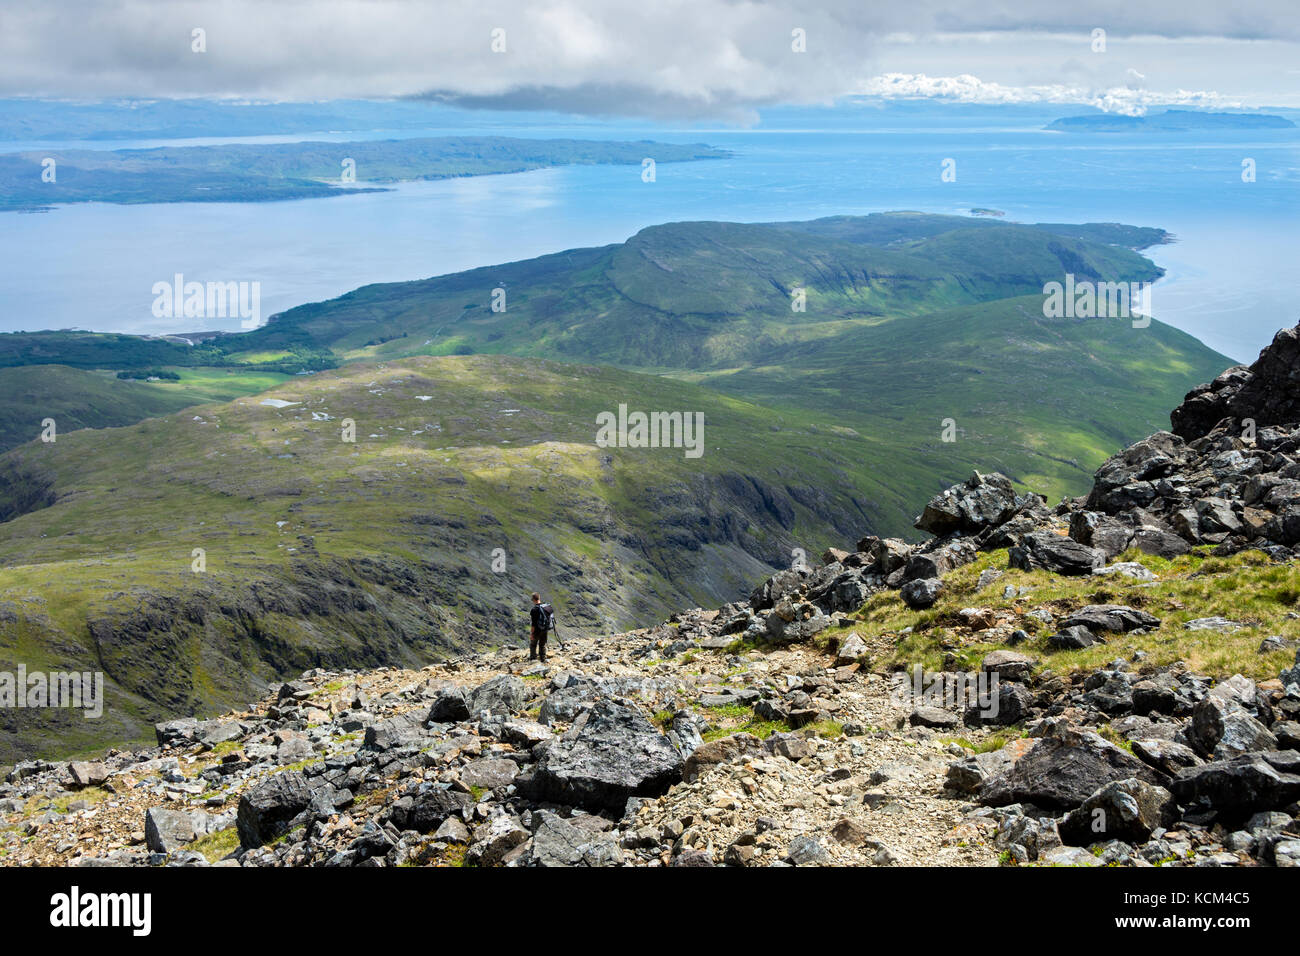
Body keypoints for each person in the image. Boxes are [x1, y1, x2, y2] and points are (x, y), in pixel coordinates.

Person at [529, 592, 551, 662]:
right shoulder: (545, 607)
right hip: (545, 629)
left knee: (533, 645)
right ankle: (543, 659)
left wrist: (532, 634)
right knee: (542, 644)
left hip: (537, 630)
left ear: (533, 599)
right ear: (539, 598)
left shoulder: (534, 610)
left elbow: (533, 624)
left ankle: (533, 659)